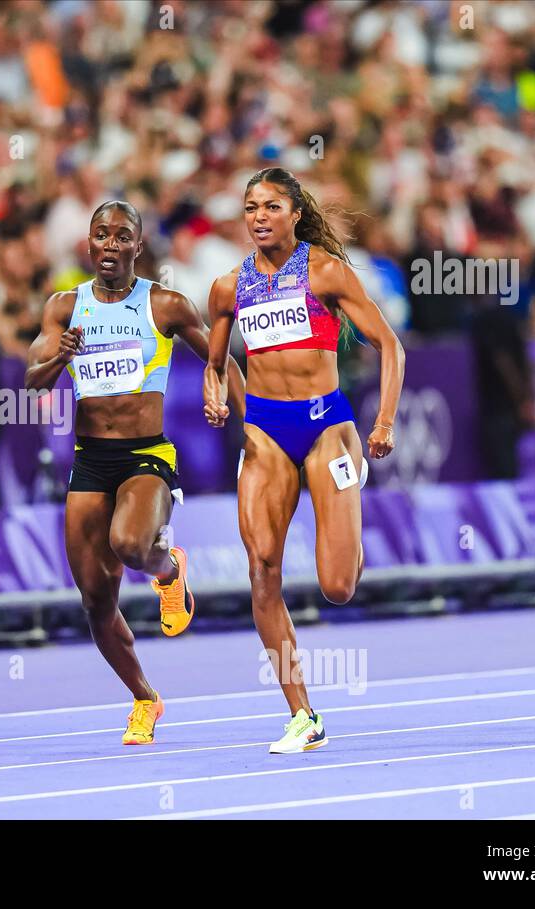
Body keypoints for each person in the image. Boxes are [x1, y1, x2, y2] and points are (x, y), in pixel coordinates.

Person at [26, 200, 244, 746]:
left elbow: (223, 360)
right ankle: (144, 699)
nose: (110, 245)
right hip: (89, 459)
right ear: (90, 244)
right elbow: (33, 382)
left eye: (122, 236)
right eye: (101, 234)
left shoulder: (165, 305)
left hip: (147, 454)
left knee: (129, 543)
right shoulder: (63, 307)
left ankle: (167, 568)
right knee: (97, 602)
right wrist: (60, 357)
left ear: (137, 247)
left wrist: (251, 423)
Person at [205, 167, 405, 754]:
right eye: (250, 207)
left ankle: (350, 511)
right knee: (262, 569)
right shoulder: (226, 287)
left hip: (326, 429)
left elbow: (390, 345)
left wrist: (385, 420)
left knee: (337, 586)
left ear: (295, 213)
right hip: (265, 432)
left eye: (271, 206)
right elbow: (215, 362)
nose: (259, 216)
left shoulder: (326, 272)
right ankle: (303, 714)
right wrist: (214, 389)